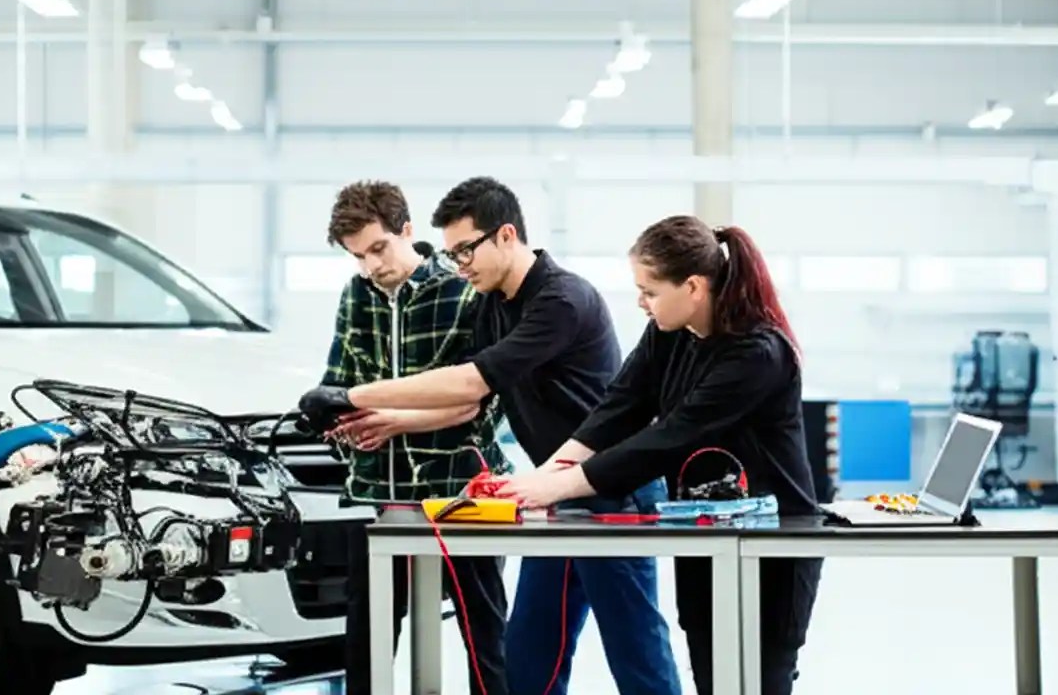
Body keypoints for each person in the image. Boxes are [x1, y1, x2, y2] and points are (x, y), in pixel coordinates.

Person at [310, 176, 683, 695]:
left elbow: (472, 379)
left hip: (613, 489)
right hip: (555, 491)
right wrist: (390, 421)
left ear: (506, 235)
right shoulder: (490, 305)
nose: (459, 265)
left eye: (466, 250)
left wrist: (354, 396)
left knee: (633, 650)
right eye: (452, 253)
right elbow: (467, 403)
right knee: (528, 656)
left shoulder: (561, 300)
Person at [494, 215, 824, 695]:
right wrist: (546, 475)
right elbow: (619, 407)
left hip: (771, 552)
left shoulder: (758, 353)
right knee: (712, 680)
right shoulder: (672, 333)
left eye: (649, 290)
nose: (640, 302)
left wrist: (558, 486)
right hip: (707, 538)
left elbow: (667, 438)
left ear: (692, 286)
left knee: (759, 682)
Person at [315, 180, 512, 695]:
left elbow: (476, 401)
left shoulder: (465, 290)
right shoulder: (356, 294)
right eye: (357, 256)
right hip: (375, 491)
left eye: (378, 248)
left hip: (462, 485)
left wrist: (387, 414)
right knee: (369, 633)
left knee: (483, 629)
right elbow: (339, 383)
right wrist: (339, 421)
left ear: (406, 231)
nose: (370, 266)